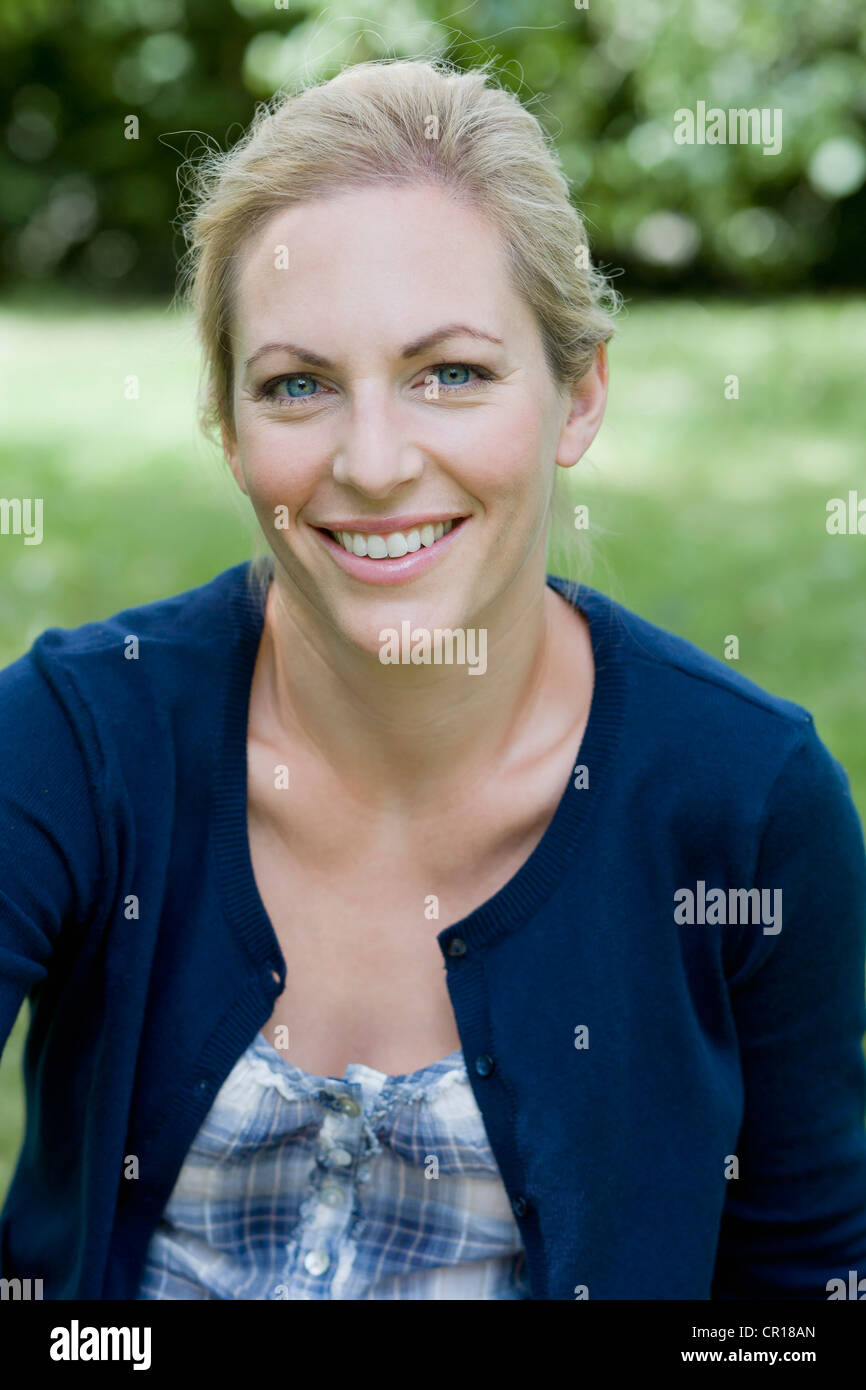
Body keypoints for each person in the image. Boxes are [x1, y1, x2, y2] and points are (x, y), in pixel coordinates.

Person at [1, 56, 865, 1302]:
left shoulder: (746, 807)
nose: (371, 459)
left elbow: (800, 1292)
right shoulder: (77, 741)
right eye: (296, 385)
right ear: (231, 430)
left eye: (449, 373)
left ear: (578, 395)